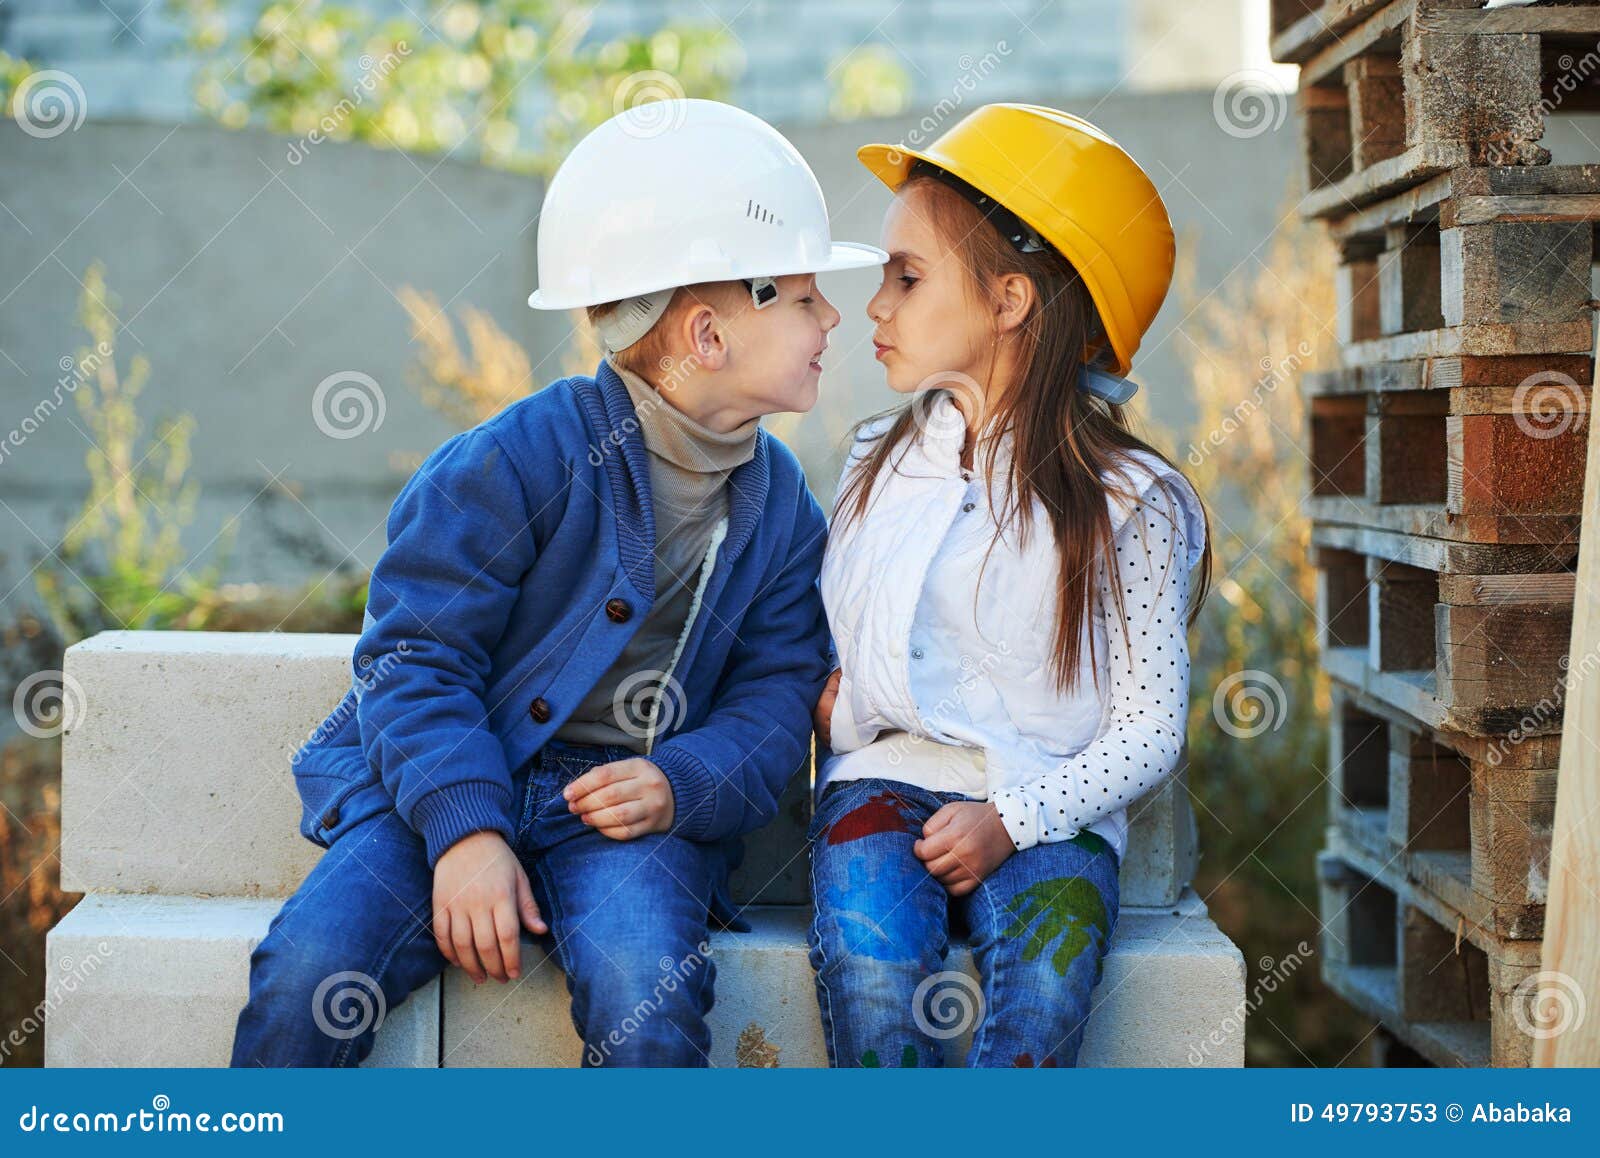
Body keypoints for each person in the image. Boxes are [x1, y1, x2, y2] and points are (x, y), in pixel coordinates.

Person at [231, 99, 887, 1067]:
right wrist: (463, 831)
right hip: (456, 777)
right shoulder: (512, 462)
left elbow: (778, 691)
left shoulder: (782, 506)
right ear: (707, 337)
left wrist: (680, 783)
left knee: (646, 995)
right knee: (306, 970)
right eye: (797, 295)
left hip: (629, 816)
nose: (830, 315)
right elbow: (416, 656)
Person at [808, 103, 1213, 1068]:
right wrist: (832, 698)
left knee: (1042, 1003)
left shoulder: (1130, 501)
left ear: (1011, 301)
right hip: (881, 781)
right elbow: (844, 635)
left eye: (906, 278)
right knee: (867, 978)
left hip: (1050, 803)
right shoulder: (875, 460)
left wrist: (1013, 821)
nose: (875, 305)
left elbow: (1151, 727)